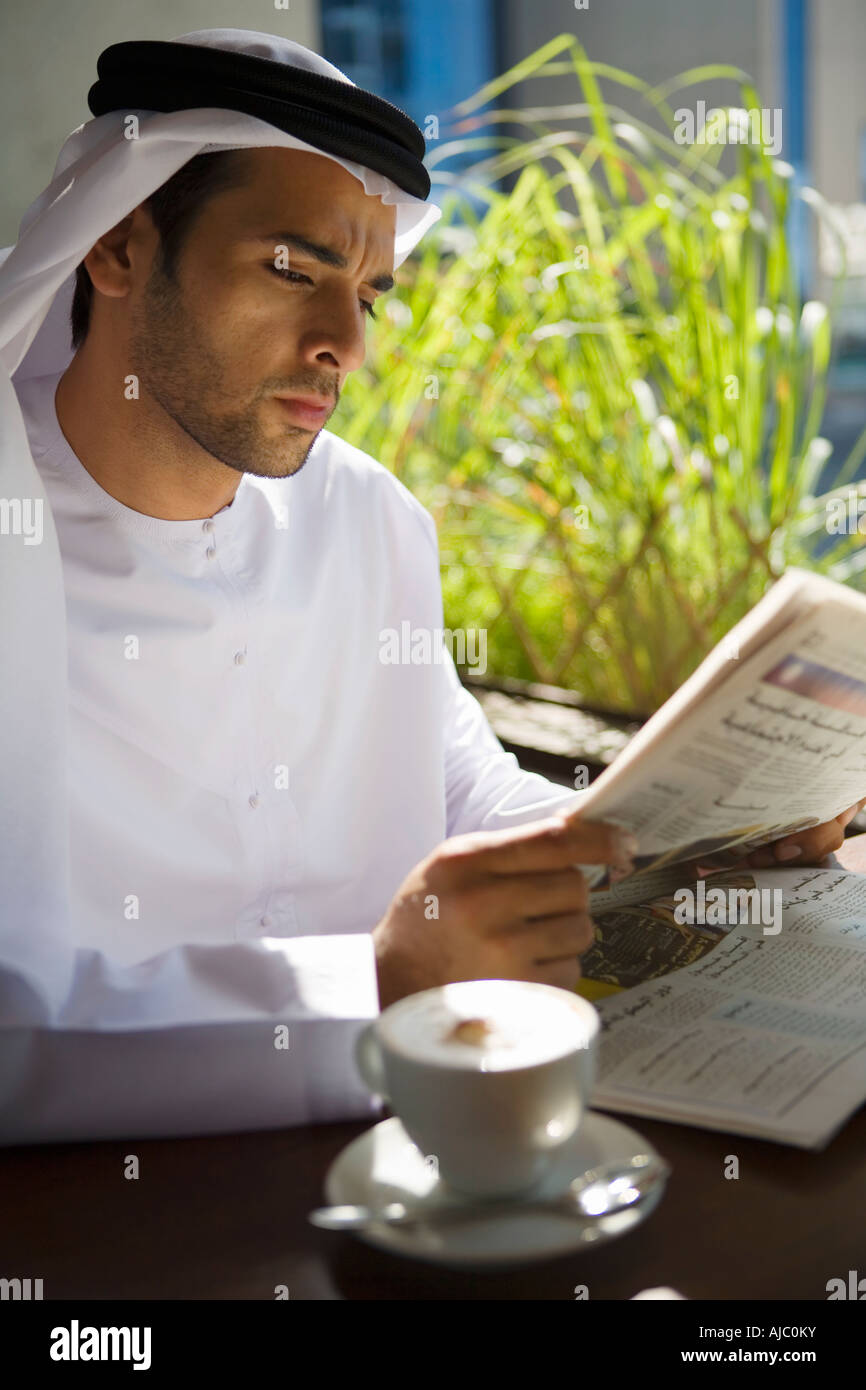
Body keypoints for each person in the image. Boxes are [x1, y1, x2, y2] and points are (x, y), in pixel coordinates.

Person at [0, 29, 858, 1145]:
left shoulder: (365, 516)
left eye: (367, 291)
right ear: (118, 246)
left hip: (431, 1152)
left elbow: (459, 792)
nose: (342, 343)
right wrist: (377, 980)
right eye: (290, 270)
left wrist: (692, 839)